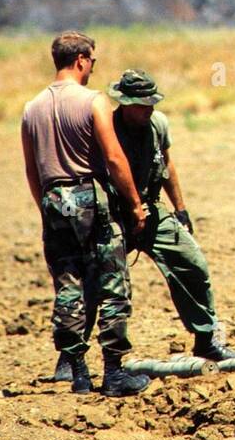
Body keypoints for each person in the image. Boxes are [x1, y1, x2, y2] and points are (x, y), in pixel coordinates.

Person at [20, 31, 150, 397]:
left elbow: (32, 171)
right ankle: (113, 372)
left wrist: (46, 207)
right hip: (89, 195)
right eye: (92, 61)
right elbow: (113, 157)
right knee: (112, 284)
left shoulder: (32, 108)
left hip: (52, 199)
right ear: (80, 61)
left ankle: (77, 370)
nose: (93, 67)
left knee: (68, 284)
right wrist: (135, 204)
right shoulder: (94, 101)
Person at [107, 69, 235, 363]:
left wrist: (181, 209)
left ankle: (206, 340)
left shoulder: (158, 124)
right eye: (141, 105)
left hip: (153, 211)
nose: (148, 110)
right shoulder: (106, 128)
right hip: (116, 215)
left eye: (151, 103)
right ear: (124, 102)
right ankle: (73, 356)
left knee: (192, 263)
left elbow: (167, 166)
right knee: (102, 283)